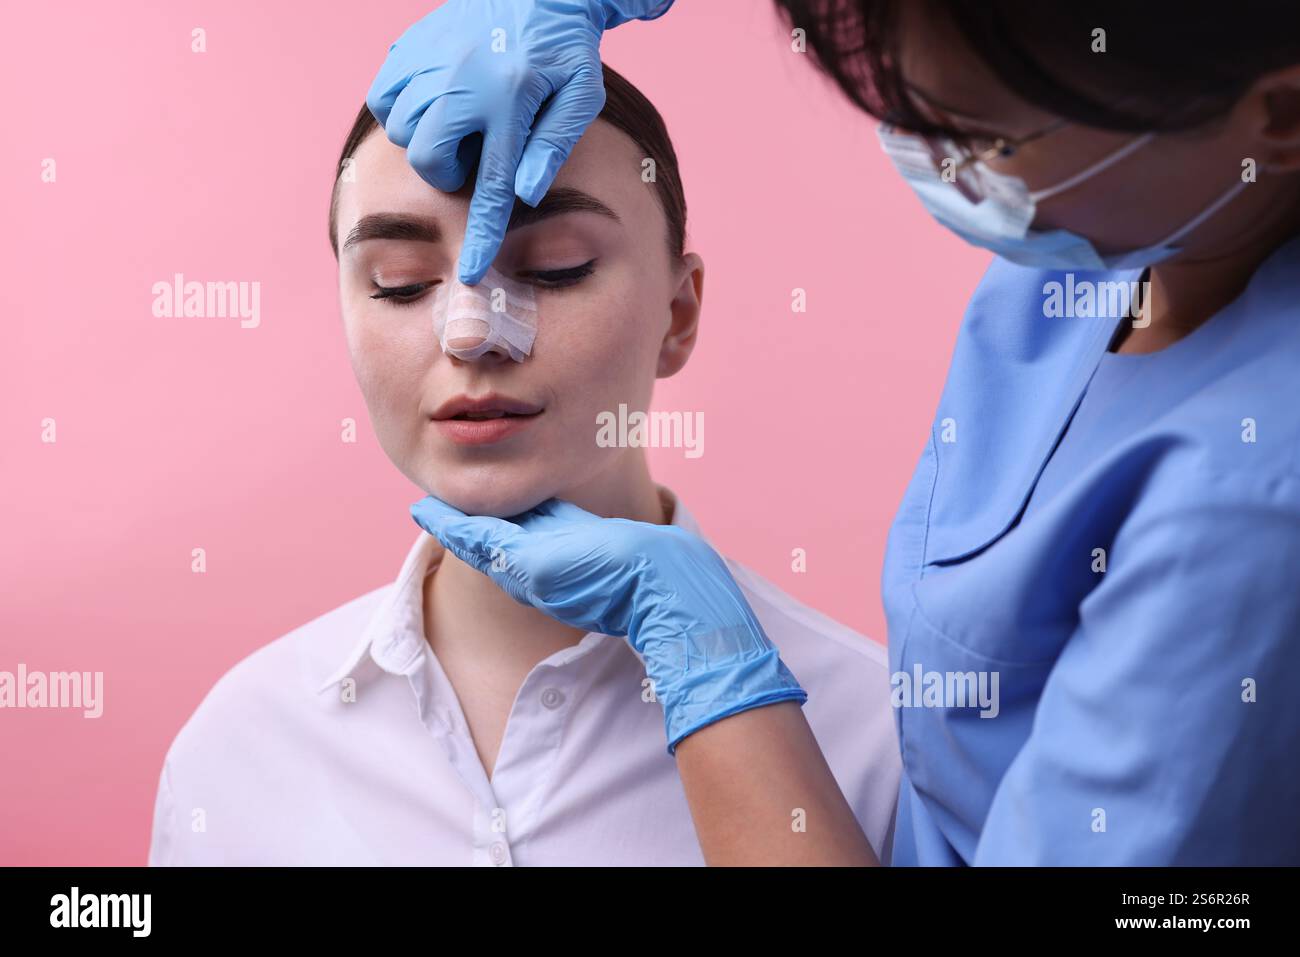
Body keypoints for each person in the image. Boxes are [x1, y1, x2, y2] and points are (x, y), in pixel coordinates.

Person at [370, 0, 1300, 864]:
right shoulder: (1128, 237)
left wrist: (703, 648)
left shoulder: (1247, 511)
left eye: (980, 136)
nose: (471, 331)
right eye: (402, 283)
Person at [146, 63, 900, 866]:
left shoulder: (875, 736)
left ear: (678, 316)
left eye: (555, 268)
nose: (472, 331)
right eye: (400, 285)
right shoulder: (239, 748)